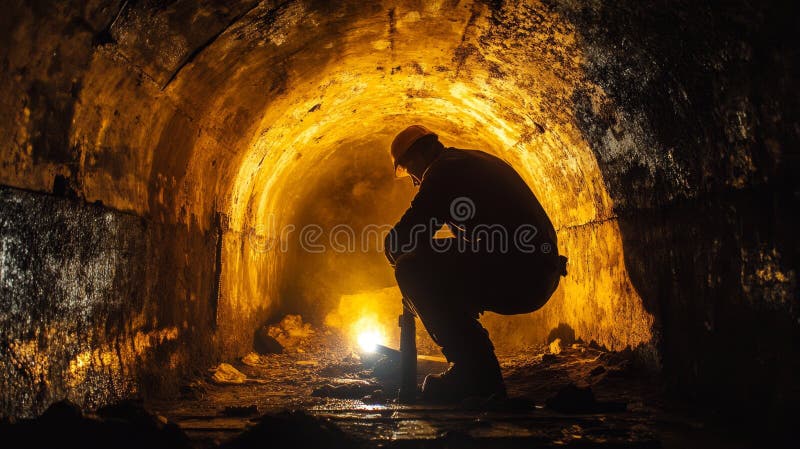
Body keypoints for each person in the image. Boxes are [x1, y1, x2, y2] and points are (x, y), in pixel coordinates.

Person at [385, 125, 568, 402]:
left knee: (411, 268)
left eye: (410, 171)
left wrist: (413, 285)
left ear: (419, 156)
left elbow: (404, 237)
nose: (414, 181)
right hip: (535, 268)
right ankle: (474, 365)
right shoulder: (468, 161)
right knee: (422, 263)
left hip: (520, 273)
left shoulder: (444, 171)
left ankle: (475, 372)